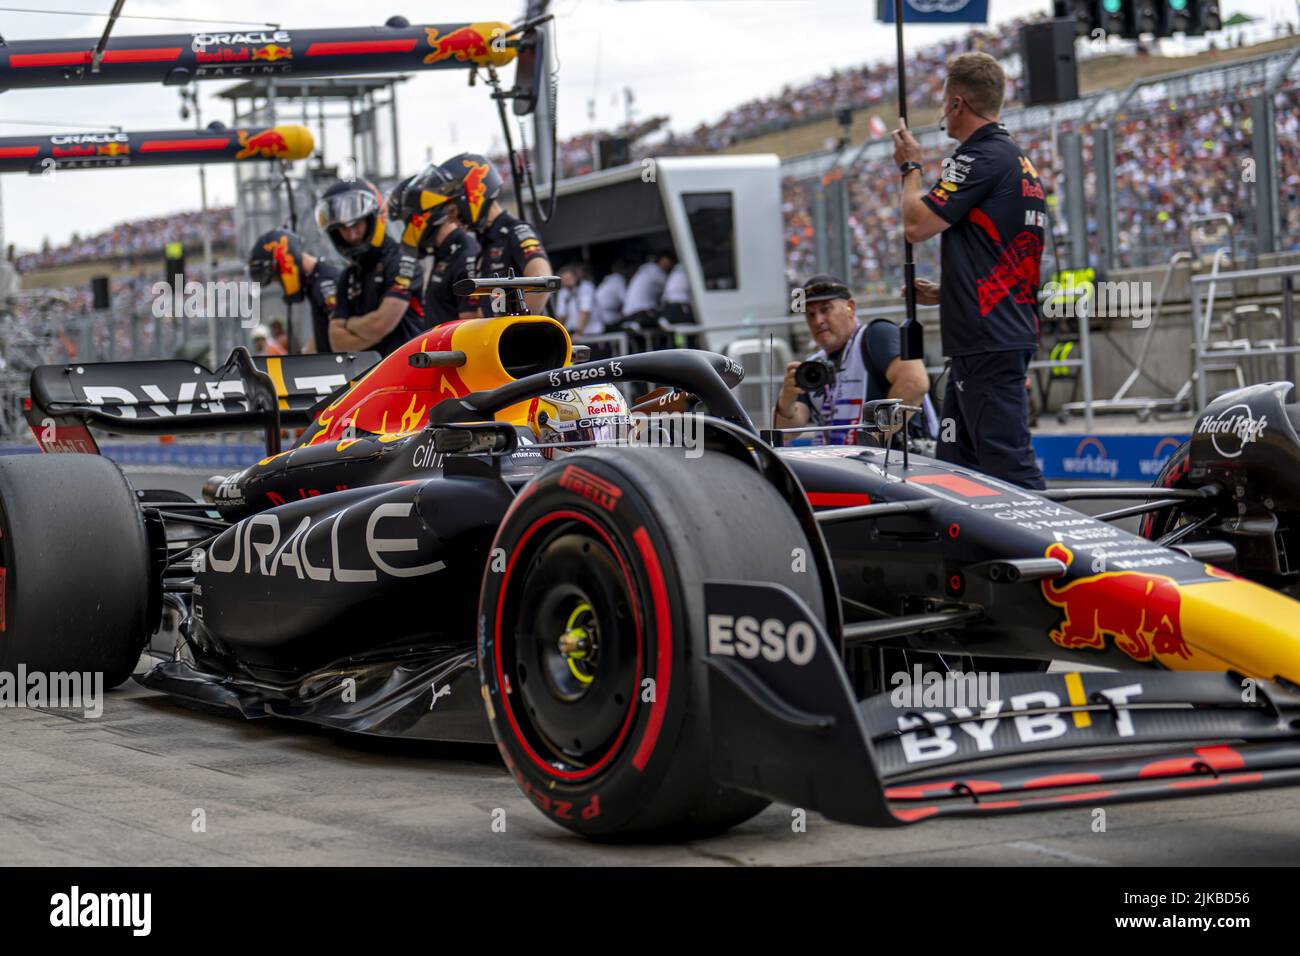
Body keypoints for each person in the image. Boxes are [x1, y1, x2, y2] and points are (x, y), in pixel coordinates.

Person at [892, 51, 1047, 488]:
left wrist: (910, 168)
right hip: (990, 335)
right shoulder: (1016, 159)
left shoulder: (977, 158)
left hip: (987, 340)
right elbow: (1003, 254)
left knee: (1008, 469)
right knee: (959, 470)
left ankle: (1054, 553)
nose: (942, 110)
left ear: (957, 104)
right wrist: (950, 290)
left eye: (944, 101)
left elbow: (915, 225)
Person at [774, 274, 930, 445]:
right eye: (810, 315)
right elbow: (786, 432)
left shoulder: (877, 334)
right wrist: (787, 397)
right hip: (843, 464)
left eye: (826, 309)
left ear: (850, 308)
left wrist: (873, 438)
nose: (818, 320)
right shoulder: (813, 365)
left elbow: (915, 383)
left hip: (892, 461)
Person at [314, 178, 427, 357]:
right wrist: (373, 332)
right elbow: (337, 342)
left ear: (373, 219)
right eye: (342, 229)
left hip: (408, 371)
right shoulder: (348, 275)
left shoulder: (402, 262)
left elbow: (380, 324)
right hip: (367, 376)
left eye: (356, 224)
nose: (351, 235)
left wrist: (349, 324)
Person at [435, 152, 553, 316]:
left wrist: (513, 327)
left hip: (520, 338)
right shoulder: (485, 244)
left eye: (453, 210)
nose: (452, 218)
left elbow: (542, 281)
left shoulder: (515, 231)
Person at [386, 165, 480, 326]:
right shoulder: (442, 253)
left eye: (406, 221)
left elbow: (472, 324)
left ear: (422, 216)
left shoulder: (465, 255)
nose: (406, 229)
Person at [246, 228, 340, 354]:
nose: (281, 285)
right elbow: (323, 334)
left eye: (277, 279)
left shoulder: (325, 284)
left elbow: (340, 336)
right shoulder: (315, 282)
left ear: (285, 262)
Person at [621, 251, 674, 327]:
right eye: (669, 261)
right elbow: (671, 289)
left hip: (629, 315)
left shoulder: (645, 269)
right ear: (662, 260)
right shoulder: (655, 271)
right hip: (641, 314)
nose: (670, 265)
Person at [554, 263, 598, 336]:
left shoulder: (586, 287)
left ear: (576, 277)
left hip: (591, 333)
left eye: (569, 279)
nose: (567, 282)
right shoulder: (563, 292)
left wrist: (578, 332)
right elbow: (561, 315)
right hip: (572, 333)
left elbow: (585, 311)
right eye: (564, 280)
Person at [593, 258, 631, 332]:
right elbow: (627, 301)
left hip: (599, 319)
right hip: (605, 319)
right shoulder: (618, 279)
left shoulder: (608, 279)